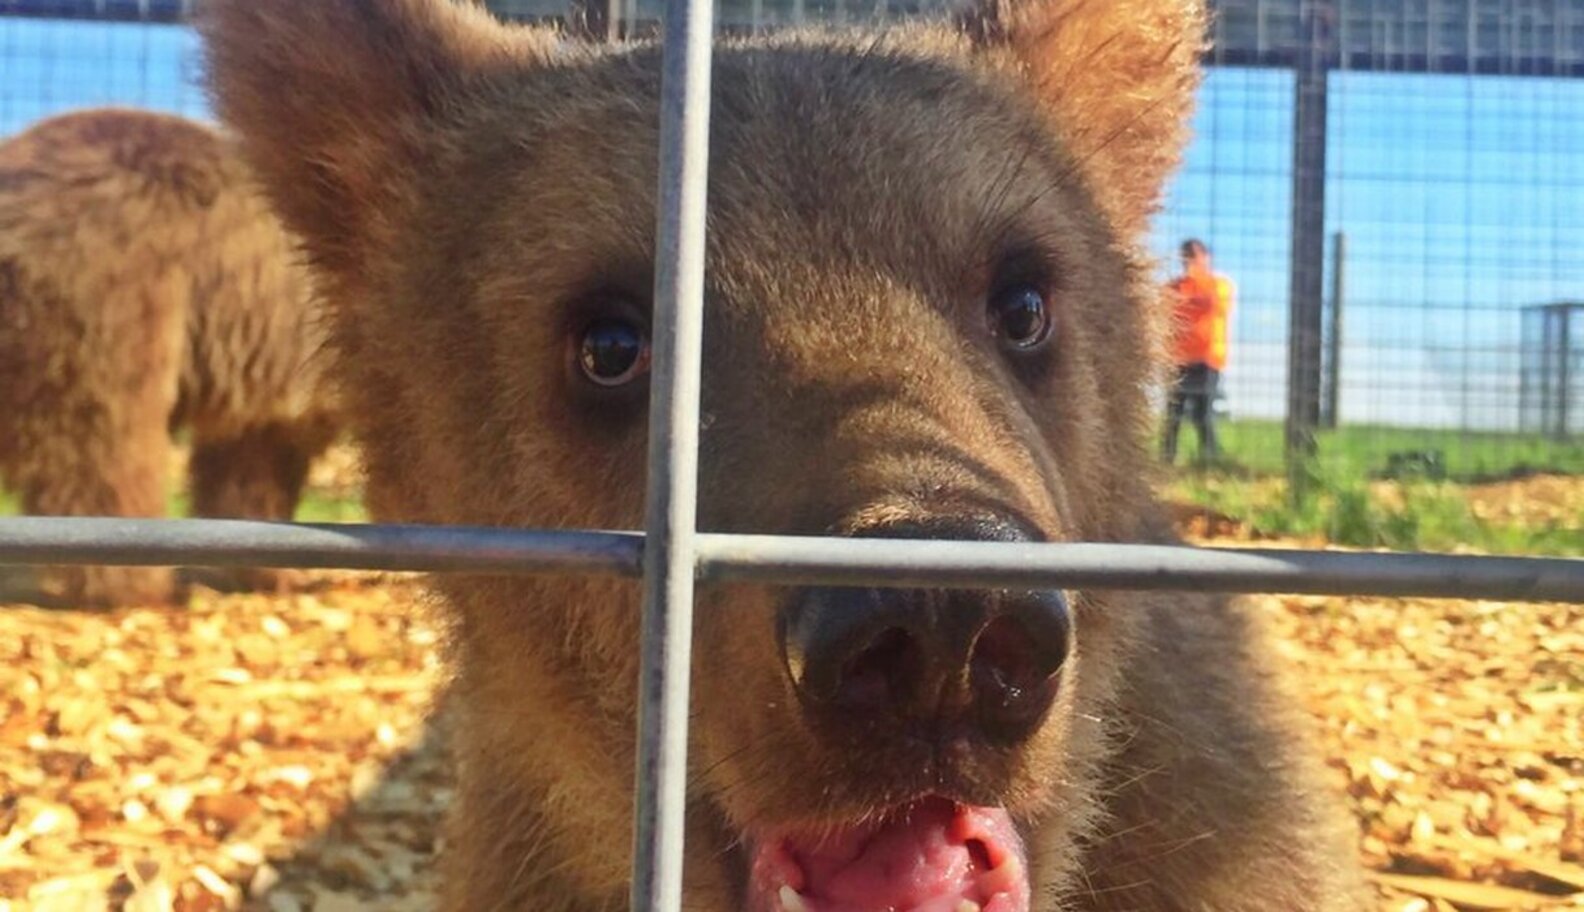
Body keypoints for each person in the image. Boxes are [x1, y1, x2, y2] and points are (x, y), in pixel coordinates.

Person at [1163, 238, 1234, 465]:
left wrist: (1192, 289)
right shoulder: (1175, 287)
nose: (1190, 259)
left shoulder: (1219, 285)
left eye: (1194, 254)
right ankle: (1167, 459)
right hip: (1179, 360)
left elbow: (1213, 304)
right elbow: (1164, 307)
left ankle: (1209, 459)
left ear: (1206, 257)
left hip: (1208, 359)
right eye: (1186, 254)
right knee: (1174, 414)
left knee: (1204, 414)